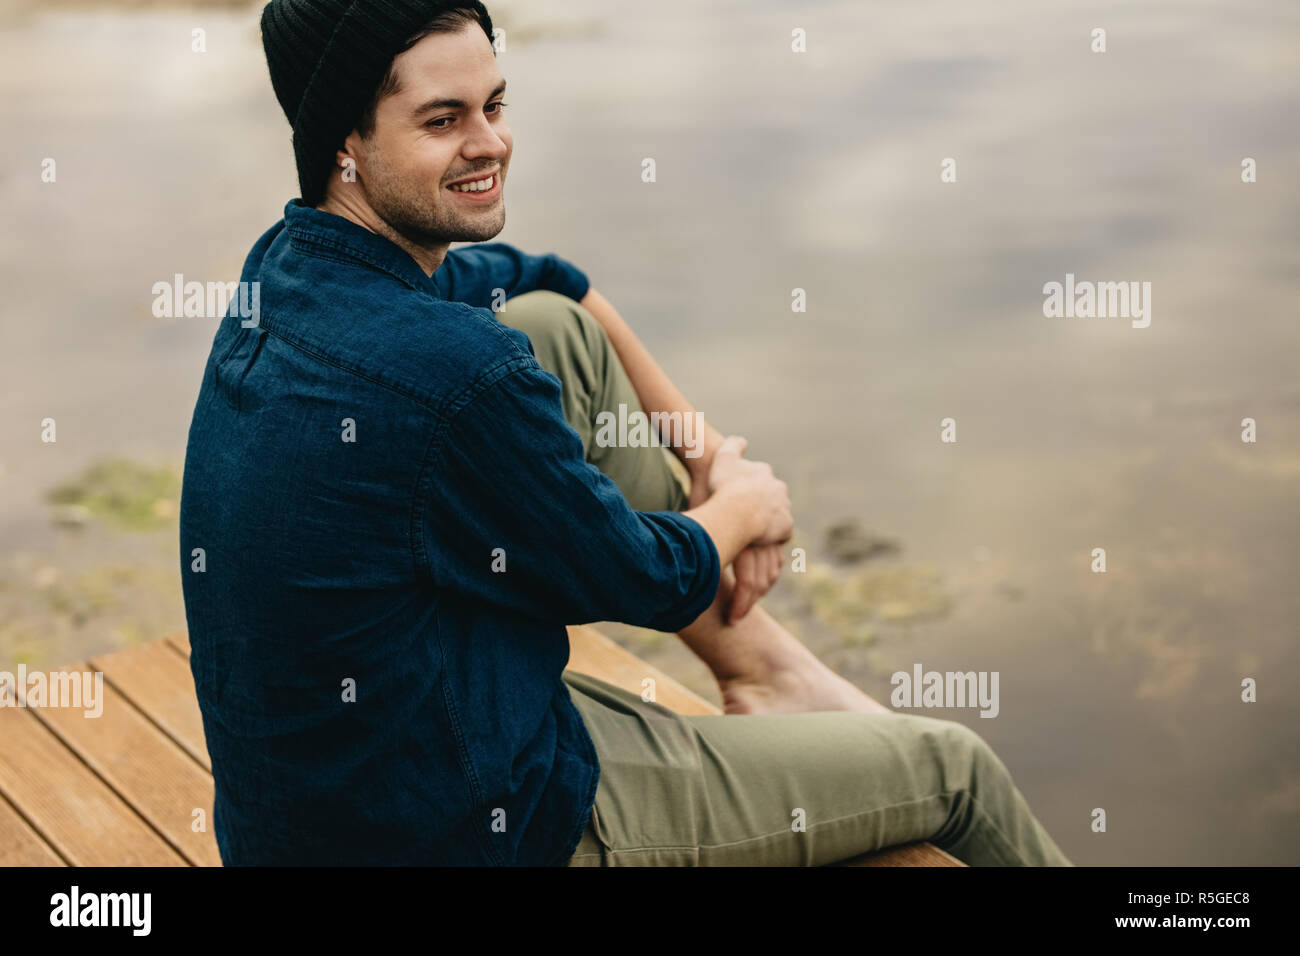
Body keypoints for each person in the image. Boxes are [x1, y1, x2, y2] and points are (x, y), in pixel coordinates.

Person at [178, 0, 1072, 866]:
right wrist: (744, 504)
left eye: (494, 105)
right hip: (474, 826)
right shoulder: (456, 374)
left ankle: (766, 673)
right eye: (442, 119)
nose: (489, 142)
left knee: (551, 329)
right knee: (956, 772)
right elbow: (644, 576)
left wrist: (701, 447)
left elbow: (552, 284)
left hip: (327, 804)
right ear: (346, 145)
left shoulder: (285, 272)